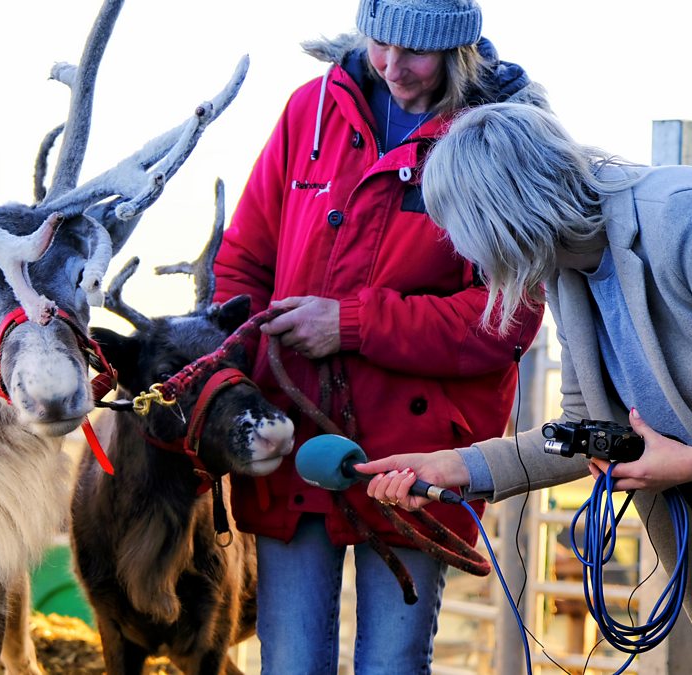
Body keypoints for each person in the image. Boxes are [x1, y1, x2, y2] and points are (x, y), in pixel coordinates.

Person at [360, 102, 692, 672]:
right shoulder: (564, 270)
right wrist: (456, 467)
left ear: (503, 219)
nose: (468, 254)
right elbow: (588, 433)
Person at [211, 1, 545, 672]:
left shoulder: (499, 140)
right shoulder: (310, 112)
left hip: (416, 456)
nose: (391, 64)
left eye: (415, 50)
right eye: (380, 41)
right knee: (290, 660)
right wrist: (231, 376)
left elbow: (504, 316)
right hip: (296, 439)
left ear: (458, 48)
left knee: (392, 661)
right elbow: (242, 262)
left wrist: (351, 323)